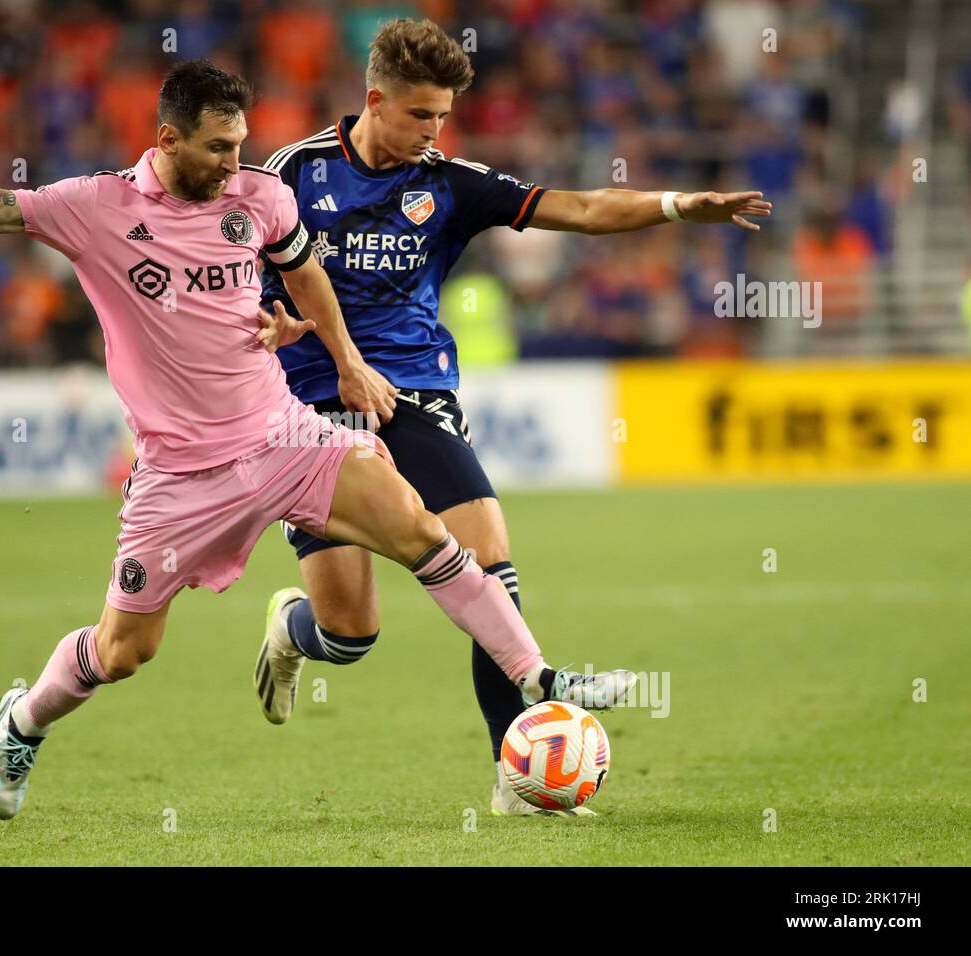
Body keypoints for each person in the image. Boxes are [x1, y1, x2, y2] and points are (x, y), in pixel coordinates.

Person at [0, 60, 637, 821]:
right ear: (168, 139)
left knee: (423, 531)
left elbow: (308, 275)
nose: (234, 163)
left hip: (284, 435)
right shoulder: (96, 206)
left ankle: (537, 678)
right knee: (124, 654)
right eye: (218, 148)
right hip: (180, 477)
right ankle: (25, 722)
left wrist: (345, 363)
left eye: (241, 144)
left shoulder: (262, 198)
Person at [256, 18, 772, 816]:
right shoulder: (294, 173)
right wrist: (270, 326)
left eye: (444, 116)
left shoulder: (450, 183)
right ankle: (296, 632)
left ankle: (516, 775)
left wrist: (675, 205)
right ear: (375, 99)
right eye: (421, 114)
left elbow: (581, 209)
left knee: (487, 553)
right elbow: (234, 270)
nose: (435, 131)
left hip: (413, 392)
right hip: (313, 407)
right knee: (351, 634)